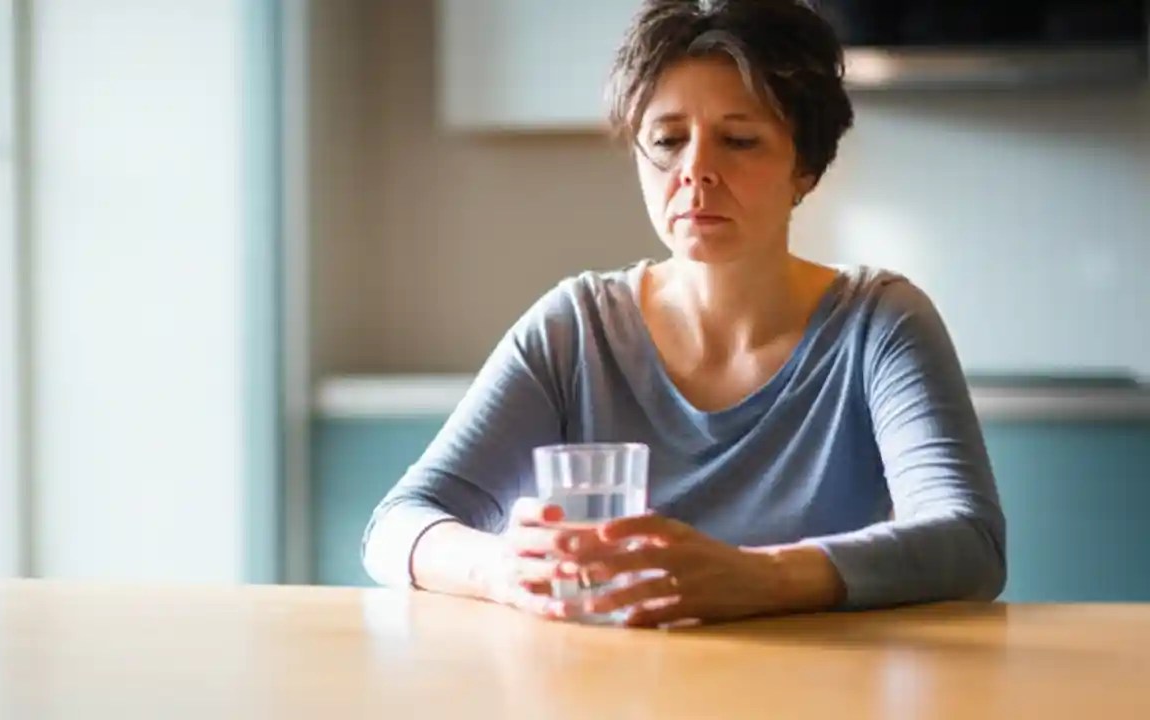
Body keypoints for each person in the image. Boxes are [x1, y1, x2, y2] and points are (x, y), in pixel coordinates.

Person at [362, 0, 1006, 627]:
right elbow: (397, 525)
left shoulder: (878, 324)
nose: (695, 171)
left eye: (740, 140)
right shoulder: (574, 329)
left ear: (804, 167)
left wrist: (759, 578)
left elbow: (968, 543)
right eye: (668, 140)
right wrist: (502, 567)